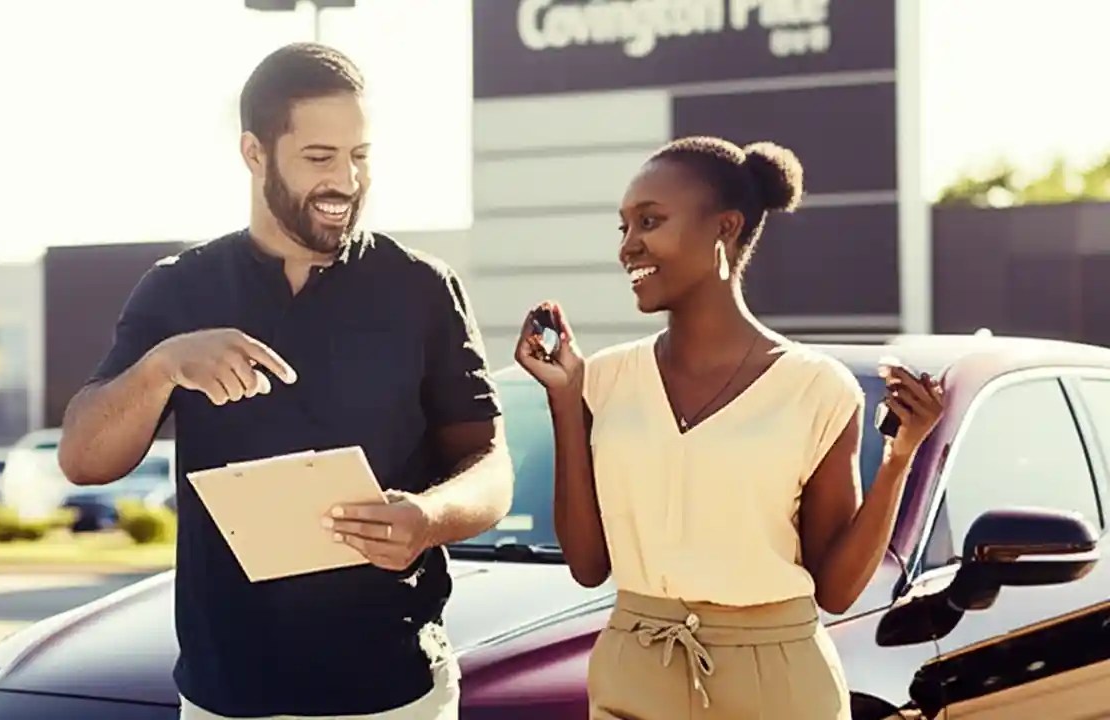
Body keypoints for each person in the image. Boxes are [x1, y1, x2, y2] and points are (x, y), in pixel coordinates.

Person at [57, 42, 513, 720]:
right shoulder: (179, 290)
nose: (347, 181)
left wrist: (427, 519)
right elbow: (83, 458)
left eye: (360, 156)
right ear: (254, 152)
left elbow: (491, 466)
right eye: (320, 158)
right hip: (226, 696)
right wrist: (162, 368)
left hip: (393, 691)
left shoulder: (421, 288)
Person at [514, 136, 945, 719]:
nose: (628, 246)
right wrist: (565, 401)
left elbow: (837, 591)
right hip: (636, 670)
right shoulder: (603, 379)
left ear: (726, 227)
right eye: (623, 227)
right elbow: (589, 568)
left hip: (779, 680)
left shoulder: (816, 387)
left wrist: (899, 459)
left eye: (650, 221)